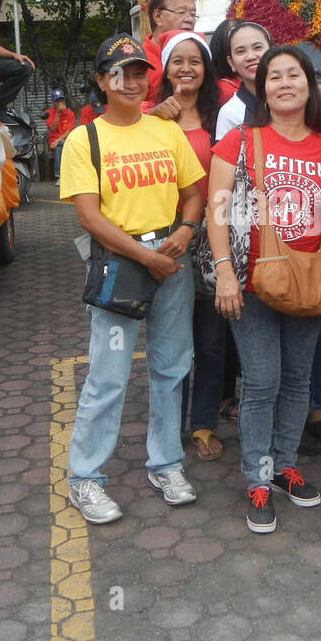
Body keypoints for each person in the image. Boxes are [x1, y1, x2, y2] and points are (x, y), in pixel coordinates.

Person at [59, 35, 205, 524]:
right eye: (119, 72)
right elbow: (89, 217)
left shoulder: (166, 131)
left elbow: (193, 193)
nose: (132, 81)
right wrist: (146, 256)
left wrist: (186, 230)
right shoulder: (85, 139)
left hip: (172, 260)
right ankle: (84, 478)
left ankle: (165, 464)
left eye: (140, 72)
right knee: (108, 376)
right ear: (102, 80)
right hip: (122, 265)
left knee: (170, 368)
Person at [207, 45, 321, 533]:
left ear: (310, 85)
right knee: (262, 381)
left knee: (299, 380)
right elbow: (216, 210)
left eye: (294, 75)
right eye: (274, 77)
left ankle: (285, 466)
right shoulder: (240, 140)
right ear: (261, 89)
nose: (285, 83)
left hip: (309, 280)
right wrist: (224, 271)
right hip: (256, 281)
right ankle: (258, 478)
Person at [152, 29, 228, 462]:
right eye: (177, 60)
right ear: (164, 68)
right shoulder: (149, 116)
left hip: (215, 237)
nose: (186, 68)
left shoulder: (225, 114)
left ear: (207, 67)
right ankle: (169, 423)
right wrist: (155, 118)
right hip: (174, 238)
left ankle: (202, 424)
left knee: (212, 340)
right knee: (173, 341)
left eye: (195, 60)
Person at [214, 21, 271, 140]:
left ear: (272, 51)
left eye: (257, 47)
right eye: (240, 51)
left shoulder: (295, 98)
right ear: (231, 62)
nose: (250, 56)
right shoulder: (229, 114)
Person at [142, 0, 199, 100]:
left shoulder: (199, 57)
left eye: (193, 14)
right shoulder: (139, 61)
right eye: (181, 13)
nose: (189, 20)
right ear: (158, 16)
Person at [43, 90, 75, 183]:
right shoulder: (49, 113)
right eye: (57, 101)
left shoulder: (70, 113)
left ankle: (62, 175)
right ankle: (59, 176)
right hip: (53, 141)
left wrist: (58, 141)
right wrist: (58, 114)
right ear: (53, 102)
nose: (60, 103)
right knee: (60, 145)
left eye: (61, 100)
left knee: (61, 143)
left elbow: (68, 131)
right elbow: (52, 128)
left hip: (66, 139)